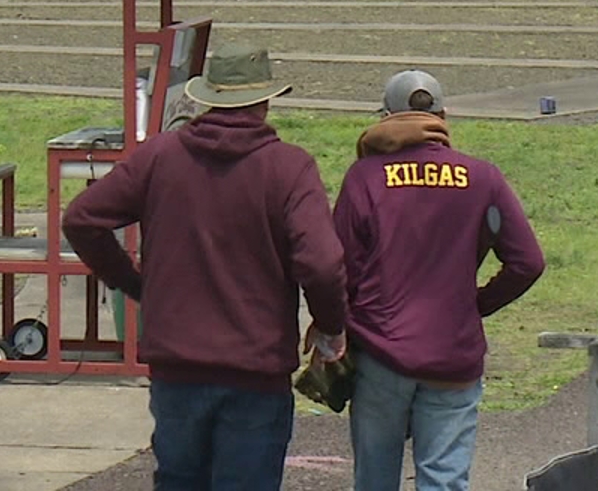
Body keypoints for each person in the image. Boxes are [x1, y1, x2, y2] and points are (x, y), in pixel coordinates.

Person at [62, 43, 347, 490]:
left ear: (208, 98)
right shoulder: (289, 168)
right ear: (264, 101)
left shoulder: (159, 157)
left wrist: (134, 284)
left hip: (177, 364)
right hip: (256, 367)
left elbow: (81, 220)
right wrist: (330, 325)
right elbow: (323, 263)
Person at [334, 70, 546, 491]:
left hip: (379, 352)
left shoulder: (365, 177)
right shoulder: (482, 178)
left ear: (385, 117)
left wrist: (342, 324)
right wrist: (475, 305)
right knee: (444, 480)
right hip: (453, 353)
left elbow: (340, 267)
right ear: (443, 117)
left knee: (374, 479)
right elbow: (527, 262)